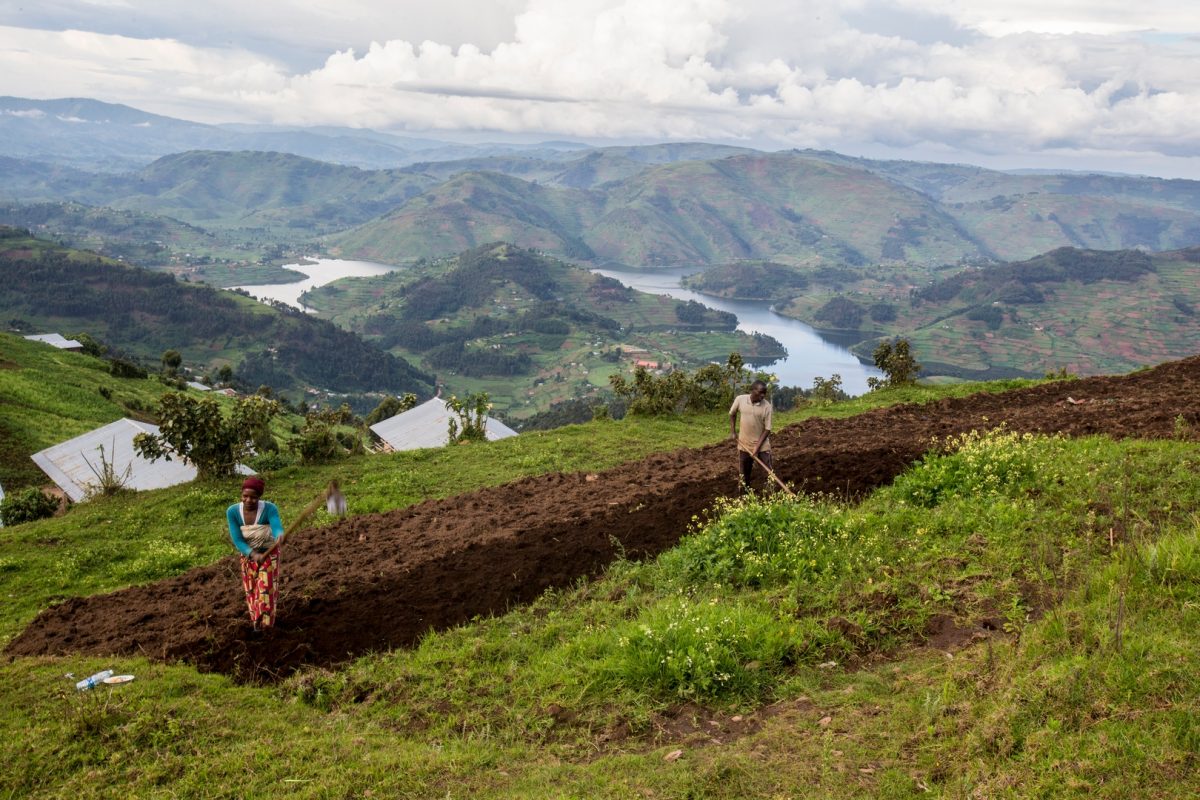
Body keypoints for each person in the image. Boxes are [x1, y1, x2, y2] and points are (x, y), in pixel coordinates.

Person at [226, 476, 285, 630]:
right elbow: (237, 539)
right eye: (245, 496)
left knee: (266, 590)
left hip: (269, 554)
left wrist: (279, 535)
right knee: (251, 590)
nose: (248, 500)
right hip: (248, 555)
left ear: (259, 497)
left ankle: (266, 627)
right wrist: (252, 554)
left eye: (253, 497)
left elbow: (276, 526)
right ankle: (256, 625)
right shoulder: (232, 512)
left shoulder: (269, 508)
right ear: (241, 494)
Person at [729, 380, 773, 495]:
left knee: (768, 473)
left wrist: (757, 448)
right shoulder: (740, 399)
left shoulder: (767, 406)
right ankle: (744, 496)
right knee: (744, 474)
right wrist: (733, 432)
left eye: (764, 393)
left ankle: (770, 495)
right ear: (752, 390)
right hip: (744, 444)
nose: (762, 396)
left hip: (762, 445)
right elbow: (732, 414)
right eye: (760, 392)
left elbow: (767, 429)